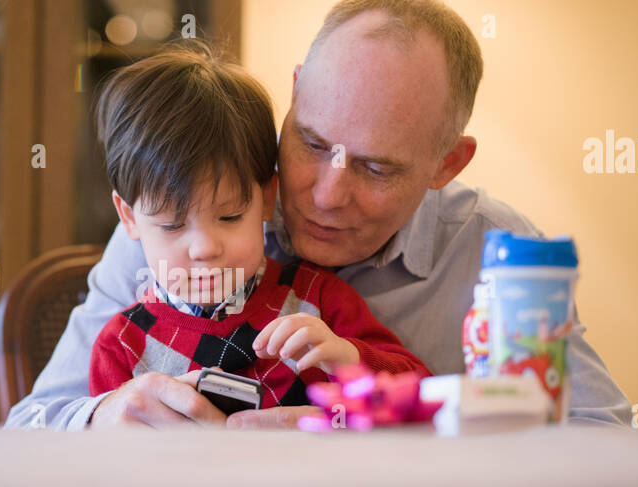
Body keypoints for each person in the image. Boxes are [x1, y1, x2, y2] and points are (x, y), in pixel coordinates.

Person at [6, 0, 630, 430]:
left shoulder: (498, 256)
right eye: (312, 142)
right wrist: (104, 414)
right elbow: (31, 424)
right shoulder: (189, 218)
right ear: (297, 91)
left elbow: (601, 436)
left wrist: (386, 430)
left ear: (448, 165)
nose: (326, 194)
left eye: (376, 167)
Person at [87, 44, 430, 408]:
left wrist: (346, 357)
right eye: (172, 225)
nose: (204, 248)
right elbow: (105, 459)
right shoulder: (123, 344)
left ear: (268, 197)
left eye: (230, 217)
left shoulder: (317, 300)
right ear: (128, 217)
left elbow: (420, 393)